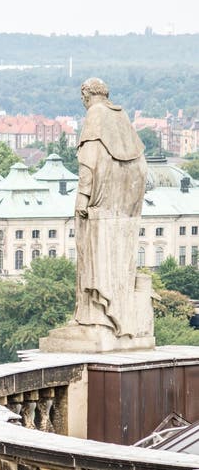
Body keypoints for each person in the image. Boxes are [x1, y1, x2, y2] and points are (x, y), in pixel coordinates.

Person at [74, 78, 147, 337]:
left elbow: (89, 161)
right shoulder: (121, 118)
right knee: (118, 260)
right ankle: (118, 318)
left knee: (95, 257)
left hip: (99, 205)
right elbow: (139, 164)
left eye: (82, 96)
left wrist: (83, 197)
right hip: (123, 207)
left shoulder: (95, 115)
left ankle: (96, 318)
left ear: (86, 94)